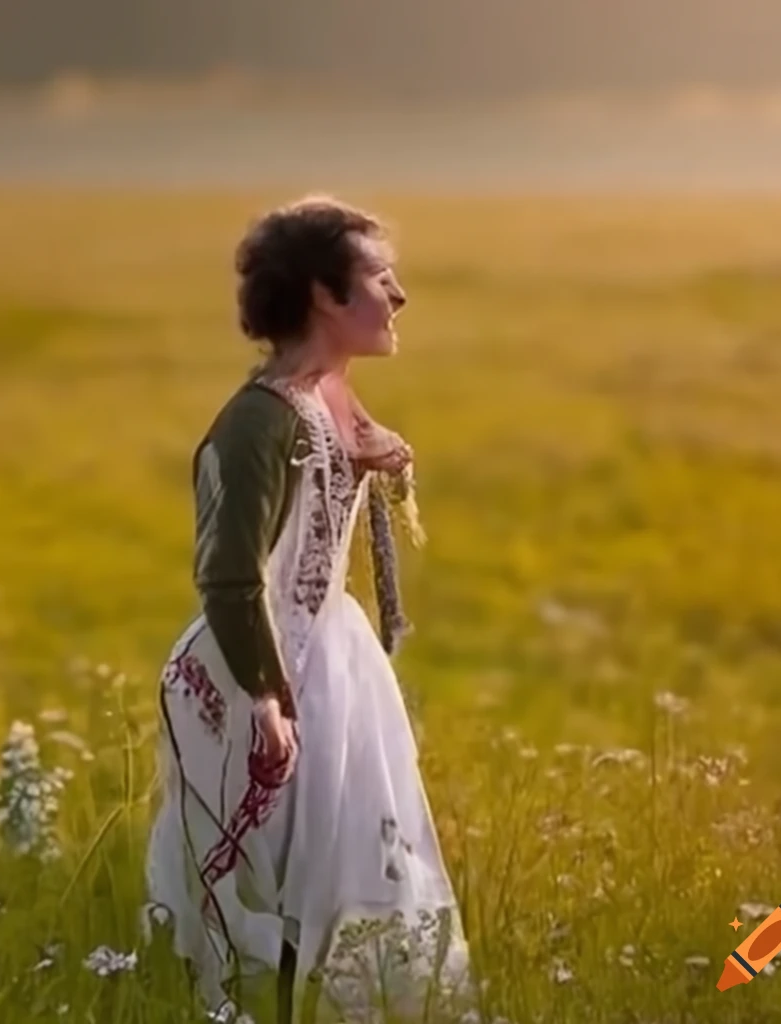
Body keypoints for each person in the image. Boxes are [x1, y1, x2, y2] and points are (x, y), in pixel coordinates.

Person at [145, 196, 470, 1023]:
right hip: (268, 670)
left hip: (333, 659)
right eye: (378, 278)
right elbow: (227, 576)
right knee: (278, 884)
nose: (397, 296)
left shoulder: (331, 393)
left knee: (349, 867)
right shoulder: (258, 422)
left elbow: (338, 470)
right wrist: (266, 695)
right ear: (326, 296)